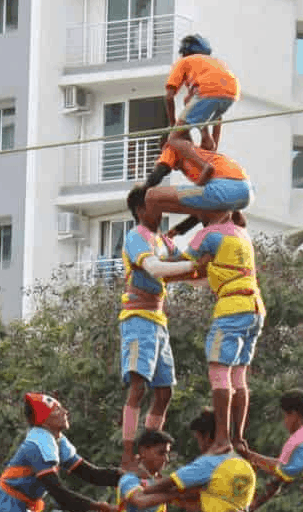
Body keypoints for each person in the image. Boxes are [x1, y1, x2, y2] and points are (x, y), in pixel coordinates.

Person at [119, 186, 209, 472]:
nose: (160, 210)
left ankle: (149, 449)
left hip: (158, 321)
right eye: (155, 205)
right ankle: (129, 454)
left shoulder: (163, 241)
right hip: (138, 317)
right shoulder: (136, 237)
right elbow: (158, 269)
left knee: (164, 392)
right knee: (138, 386)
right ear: (140, 210)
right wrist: (193, 265)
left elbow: (188, 272)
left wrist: (214, 268)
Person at [180, 209, 265, 455]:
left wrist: (157, 259)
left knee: (219, 373)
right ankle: (238, 438)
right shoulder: (242, 236)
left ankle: (221, 438)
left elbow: (181, 263)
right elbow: (206, 272)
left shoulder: (209, 234)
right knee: (239, 377)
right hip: (254, 309)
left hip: (231, 309)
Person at [0, 393, 122, 512]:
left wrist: (124, 475)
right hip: (7, 505)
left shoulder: (58, 441)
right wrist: (100, 507)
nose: (65, 412)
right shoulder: (37, 446)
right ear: (44, 420)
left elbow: (90, 474)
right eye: (57, 410)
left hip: (24, 505)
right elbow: (60, 494)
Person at [139, 409, 256, 512]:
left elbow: (168, 484)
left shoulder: (209, 463)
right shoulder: (245, 466)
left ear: (207, 436)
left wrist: (142, 489)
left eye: (198, 439)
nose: (199, 446)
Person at [142, 136, 253, 234]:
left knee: (151, 195)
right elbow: (199, 206)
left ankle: (149, 238)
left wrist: (141, 192)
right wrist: (178, 230)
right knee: (208, 209)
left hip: (224, 187)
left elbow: (159, 172)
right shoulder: (202, 154)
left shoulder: (172, 147)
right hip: (245, 192)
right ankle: (237, 236)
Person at [166, 34, 239, 151]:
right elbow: (217, 117)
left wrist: (173, 125)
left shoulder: (183, 62)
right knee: (193, 100)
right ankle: (209, 142)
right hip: (232, 93)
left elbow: (169, 97)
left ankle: (204, 140)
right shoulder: (216, 62)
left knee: (174, 139)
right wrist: (215, 148)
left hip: (207, 93)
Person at [116, 430, 185, 512]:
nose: (166, 459)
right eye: (161, 453)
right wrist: (173, 494)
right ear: (143, 451)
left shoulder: (156, 481)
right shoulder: (130, 478)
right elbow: (140, 501)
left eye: (167, 454)